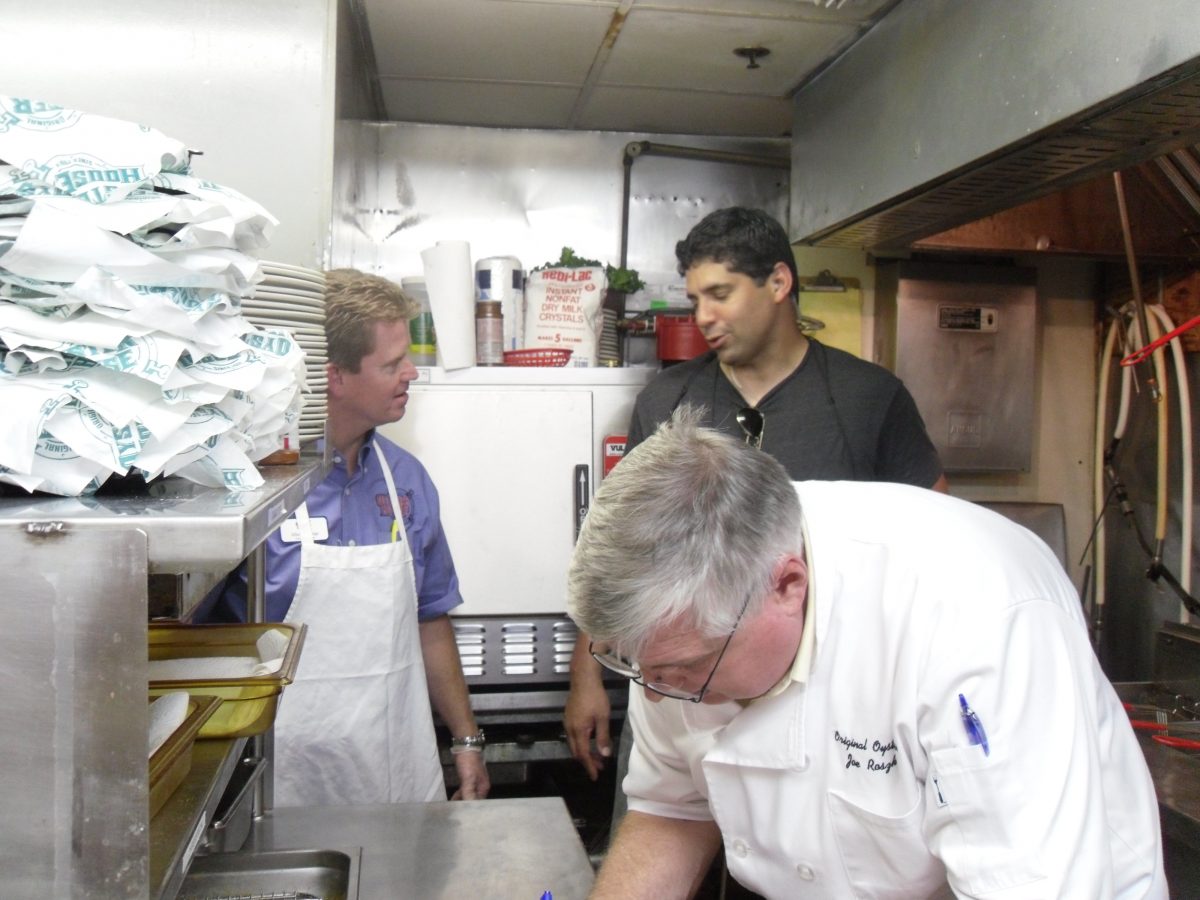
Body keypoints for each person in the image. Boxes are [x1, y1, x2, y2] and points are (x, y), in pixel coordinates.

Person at [568, 409, 1166, 900]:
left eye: (686, 672)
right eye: (636, 668)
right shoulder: (680, 625)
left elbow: (1027, 885)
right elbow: (672, 811)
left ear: (787, 585)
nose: (657, 693)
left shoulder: (968, 614)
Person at [564, 206, 947, 779]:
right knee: (670, 832)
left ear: (778, 282)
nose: (704, 317)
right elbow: (624, 553)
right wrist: (586, 676)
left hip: (829, 691)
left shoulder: (869, 398)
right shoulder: (667, 401)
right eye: (695, 300)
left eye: (720, 294)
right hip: (687, 696)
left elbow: (938, 536)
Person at [205, 269, 489, 806]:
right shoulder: (248, 484)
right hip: (269, 776)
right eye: (392, 364)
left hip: (392, 766)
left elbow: (429, 618)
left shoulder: (406, 481)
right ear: (334, 376)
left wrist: (466, 739)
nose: (412, 374)